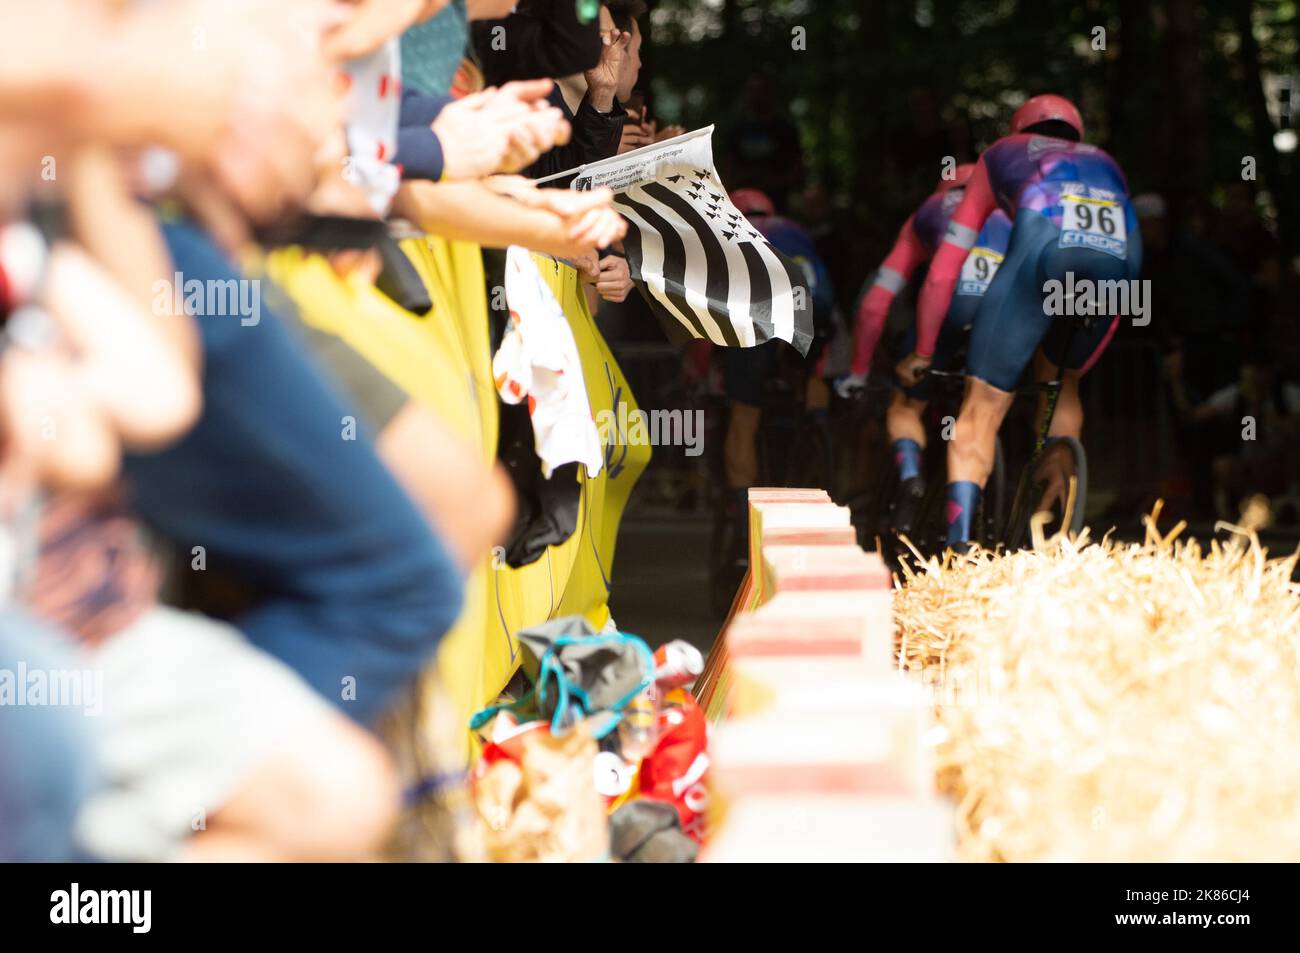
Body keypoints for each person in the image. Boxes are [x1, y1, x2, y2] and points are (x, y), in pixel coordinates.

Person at [896, 94, 1143, 548]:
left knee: (982, 406)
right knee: (1064, 384)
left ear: (1019, 129)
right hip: (1116, 273)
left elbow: (944, 269)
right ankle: (1054, 529)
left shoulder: (1000, 156)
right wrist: (1081, 362)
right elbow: (1132, 262)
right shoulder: (1105, 162)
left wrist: (925, 351)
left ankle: (960, 549)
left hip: (1041, 259)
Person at [837, 164, 1013, 534]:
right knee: (981, 410)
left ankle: (911, 478)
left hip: (946, 312)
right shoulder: (1010, 210)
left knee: (904, 405)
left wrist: (859, 371)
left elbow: (875, 304)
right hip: (1003, 316)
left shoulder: (930, 212)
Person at [718, 188, 836, 569]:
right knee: (810, 371)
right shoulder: (795, 229)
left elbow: (708, 304)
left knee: (744, 415)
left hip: (757, 306)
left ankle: (741, 530)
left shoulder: (724, 226)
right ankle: (819, 438)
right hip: (816, 303)